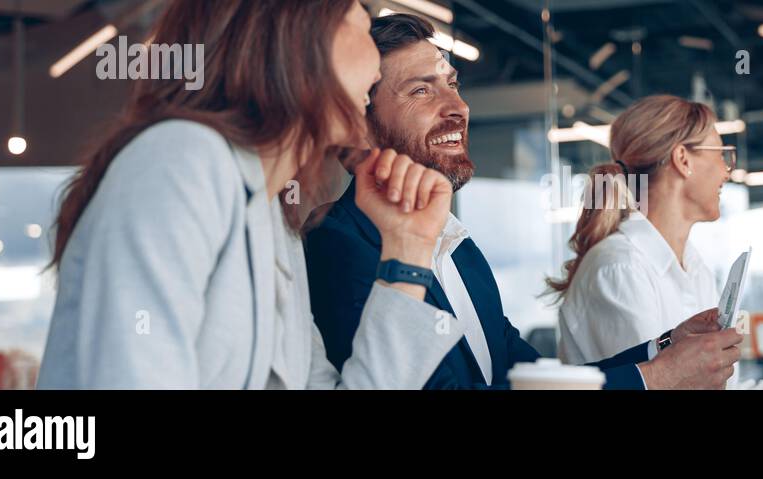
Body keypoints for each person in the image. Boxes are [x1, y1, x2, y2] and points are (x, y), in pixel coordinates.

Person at [38, 0, 463, 389]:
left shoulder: (274, 220)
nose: (375, 67)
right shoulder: (180, 160)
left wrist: (408, 250)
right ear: (296, 42)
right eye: (358, 25)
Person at [305, 14, 740, 390]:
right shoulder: (338, 245)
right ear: (359, 121)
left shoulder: (458, 248)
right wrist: (657, 379)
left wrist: (662, 349)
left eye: (453, 85)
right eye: (421, 91)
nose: (457, 107)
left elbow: (532, 379)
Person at [544, 95, 733, 368]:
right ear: (683, 159)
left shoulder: (695, 268)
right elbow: (660, 382)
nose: (726, 171)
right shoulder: (620, 267)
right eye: (720, 154)